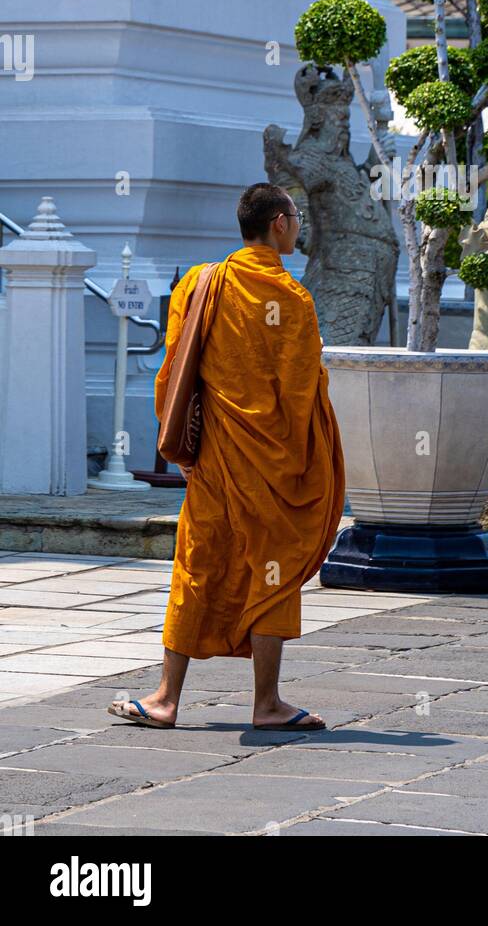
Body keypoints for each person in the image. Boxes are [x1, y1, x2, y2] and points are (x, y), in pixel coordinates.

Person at [107, 184, 346, 731]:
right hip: (273, 464)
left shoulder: (199, 282)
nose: (299, 226)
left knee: (198, 564)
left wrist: (178, 443)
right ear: (280, 224)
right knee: (273, 567)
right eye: (297, 217)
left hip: (213, 458)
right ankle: (266, 704)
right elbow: (302, 389)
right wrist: (311, 456)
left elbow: (172, 370)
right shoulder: (291, 299)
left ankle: (166, 697)